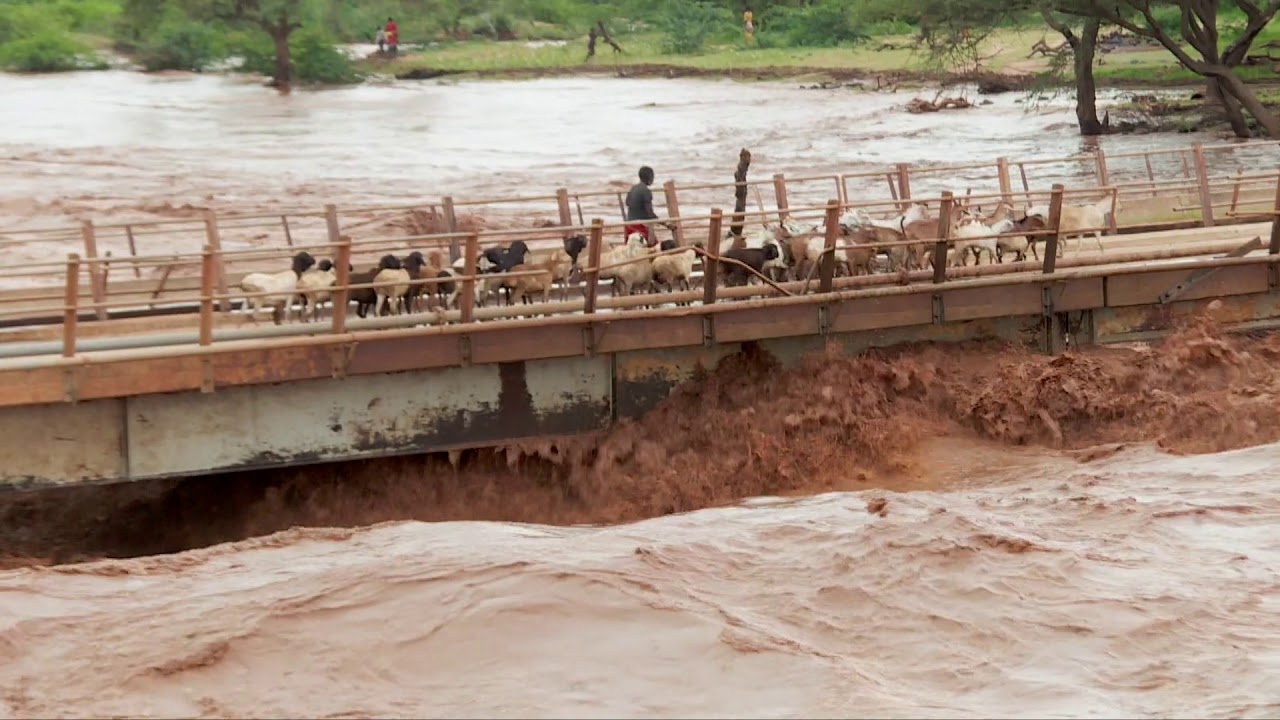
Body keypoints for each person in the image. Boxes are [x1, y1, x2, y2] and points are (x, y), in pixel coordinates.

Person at [624, 166, 662, 246]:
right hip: (640, 227)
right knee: (654, 246)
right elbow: (650, 213)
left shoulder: (633, 188)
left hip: (629, 225)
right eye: (652, 177)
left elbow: (627, 203)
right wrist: (665, 224)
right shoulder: (646, 191)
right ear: (649, 177)